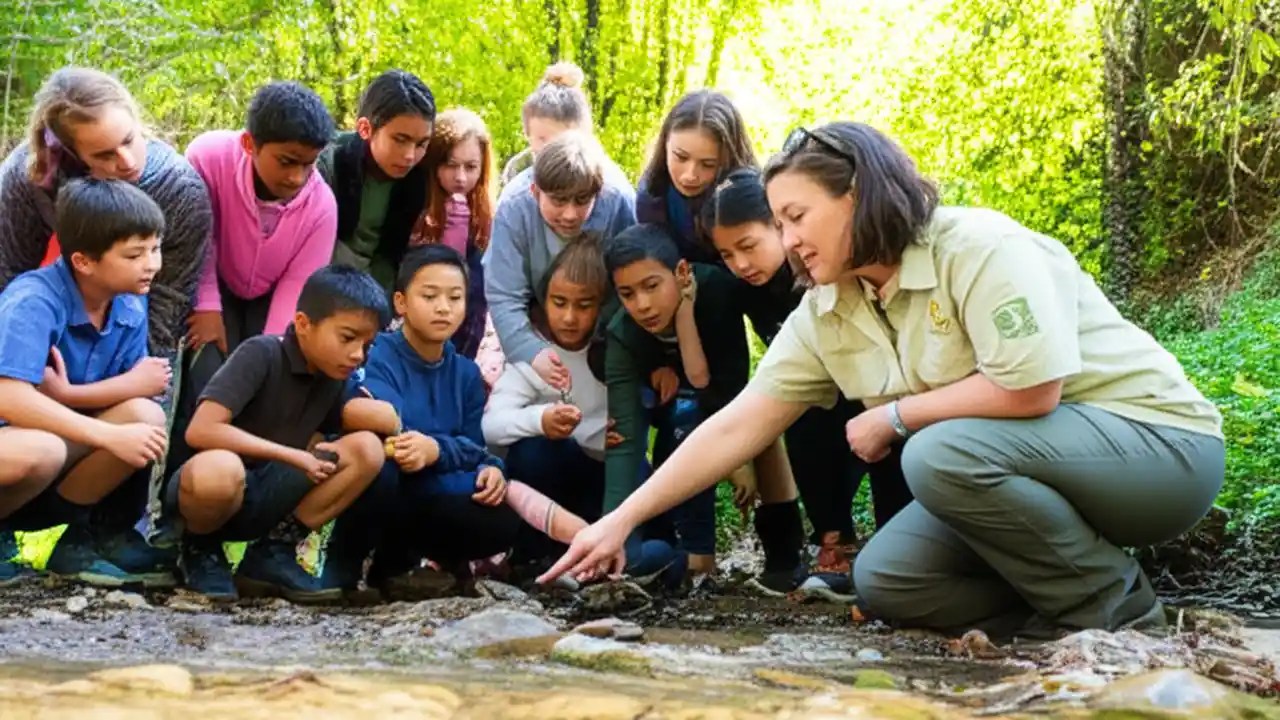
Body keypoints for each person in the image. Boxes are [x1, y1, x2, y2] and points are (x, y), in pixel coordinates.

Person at [543, 122, 1225, 640]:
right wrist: (619, 521)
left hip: (1160, 452)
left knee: (936, 451)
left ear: (858, 194)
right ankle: (1055, 614)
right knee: (892, 579)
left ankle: (1127, 618)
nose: (790, 239)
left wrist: (896, 418)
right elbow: (739, 422)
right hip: (1031, 480)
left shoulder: (980, 247)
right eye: (779, 222)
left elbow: (1031, 391)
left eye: (797, 218)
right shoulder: (829, 307)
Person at [0, 67, 211, 577]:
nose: (128, 161)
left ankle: (96, 532)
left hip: (85, 360)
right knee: (42, 445)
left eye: (131, 140)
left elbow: (162, 311)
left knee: (143, 414)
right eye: (105, 155)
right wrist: (63, 400)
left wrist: (92, 396)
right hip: (24, 374)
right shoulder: (24, 187)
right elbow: (9, 279)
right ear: (71, 155)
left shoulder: (176, 191)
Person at [701, 168, 914, 596]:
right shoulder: (739, 289)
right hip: (812, 390)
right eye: (727, 255)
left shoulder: (822, 269)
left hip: (872, 384)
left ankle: (900, 547)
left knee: (884, 433)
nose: (741, 264)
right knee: (799, 421)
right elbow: (739, 375)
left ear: (780, 227)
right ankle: (833, 541)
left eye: (749, 246)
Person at [164, 265, 393, 602]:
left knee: (367, 449)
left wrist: (391, 420)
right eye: (347, 338)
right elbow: (202, 430)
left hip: (267, 495)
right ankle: (200, 549)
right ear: (303, 324)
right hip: (210, 492)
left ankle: (273, 551)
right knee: (221, 469)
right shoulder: (261, 353)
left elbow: (377, 420)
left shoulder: (334, 376)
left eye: (367, 344)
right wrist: (292, 455)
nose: (358, 354)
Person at [0, 178, 170, 586]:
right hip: (18, 448)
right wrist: (106, 435)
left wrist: (71, 395)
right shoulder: (33, 301)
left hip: (55, 450)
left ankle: (76, 536)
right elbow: (7, 396)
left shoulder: (128, 300)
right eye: (135, 254)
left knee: (143, 416)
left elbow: (131, 388)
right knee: (42, 449)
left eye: (155, 248)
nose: (152, 264)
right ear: (84, 261)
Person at [354, 245, 522, 588]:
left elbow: (474, 448)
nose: (443, 308)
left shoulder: (464, 373)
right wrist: (441, 452)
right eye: (429, 296)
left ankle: (445, 564)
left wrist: (491, 469)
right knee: (383, 471)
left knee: (500, 517)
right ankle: (371, 562)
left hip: (440, 481)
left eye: (455, 297)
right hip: (393, 478)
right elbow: (393, 429)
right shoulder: (378, 355)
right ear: (400, 303)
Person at [603, 223, 752, 578]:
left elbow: (727, 383)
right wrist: (610, 535)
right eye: (627, 293)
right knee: (680, 423)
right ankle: (672, 544)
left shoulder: (717, 291)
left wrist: (740, 457)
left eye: (652, 286)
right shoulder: (623, 333)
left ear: (681, 273)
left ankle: (701, 552)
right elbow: (624, 441)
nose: (642, 304)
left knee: (689, 415)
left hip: (725, 400)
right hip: (665, 407)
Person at [182, 80, 337, 396]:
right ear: (249, 143)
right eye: (286, 161)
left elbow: (297, 285)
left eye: (309, 164)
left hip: (271, 295)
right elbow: (197, 238)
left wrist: (272, 356)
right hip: (210, 281)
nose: (297, 177)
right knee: (207, 370)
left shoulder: (322, 206)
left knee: (259, 378)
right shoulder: (208, 157)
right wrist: (207, 305)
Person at [482, 238, 611, 568]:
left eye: (584, 306)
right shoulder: (535, 352)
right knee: (536, 452)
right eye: (559, 302)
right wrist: (541, 420)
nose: (569, 317)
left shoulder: (615, 349)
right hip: (548, 488)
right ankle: (533, 555)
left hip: (603, 477)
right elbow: (491, 427)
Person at [485, 131, 636, 391]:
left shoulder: (619, 202)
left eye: (581, 201)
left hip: (604, 329)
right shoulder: (513, 208)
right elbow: (503, 294)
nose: (570, 214)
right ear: (535, 192)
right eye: (558, 201)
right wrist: (530, 350)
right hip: (534, 322)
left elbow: (632, 281)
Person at [319, 69, 436, 290]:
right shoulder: (327, 164)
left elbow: (390, 258)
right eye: (400, 140)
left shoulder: (420, 179)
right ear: (365, 128)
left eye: (421, 144)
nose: (410, 155)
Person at [635, 90, 758, 266]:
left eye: (708, 164)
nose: (690, 175)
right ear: (665, 145)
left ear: (729, 160)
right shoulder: (651, 194)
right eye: (680, 157)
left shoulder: (751, 199)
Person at [410, 108, 494, 359]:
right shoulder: (416, 205)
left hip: (465, 329)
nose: (460, 178)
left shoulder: (484, 213)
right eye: (450, 165)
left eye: (470, 167)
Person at [497, 62, 631, 200]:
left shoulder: (614, 190)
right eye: (542, 139)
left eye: (562, 141)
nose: (552, 149)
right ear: (527, 134)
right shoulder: (516, 177)